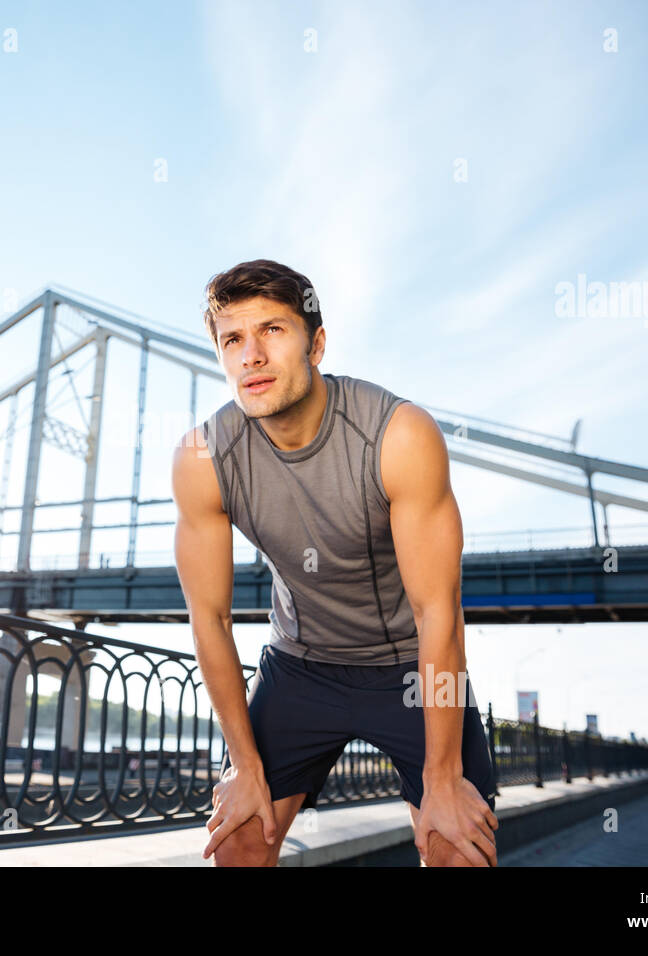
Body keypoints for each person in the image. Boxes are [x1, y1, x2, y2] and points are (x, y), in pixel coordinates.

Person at [171, 259, 499, 867]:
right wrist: (244, 767)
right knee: (239, 841)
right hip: (302, 668)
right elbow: (209, 621)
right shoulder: (202, 458)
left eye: (273, 330)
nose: (252, 356)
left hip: (409, 667)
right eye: (233, 340)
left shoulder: (398, 434)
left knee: (457, 848)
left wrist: (445, 777)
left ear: (316, 343)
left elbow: (437, 613)